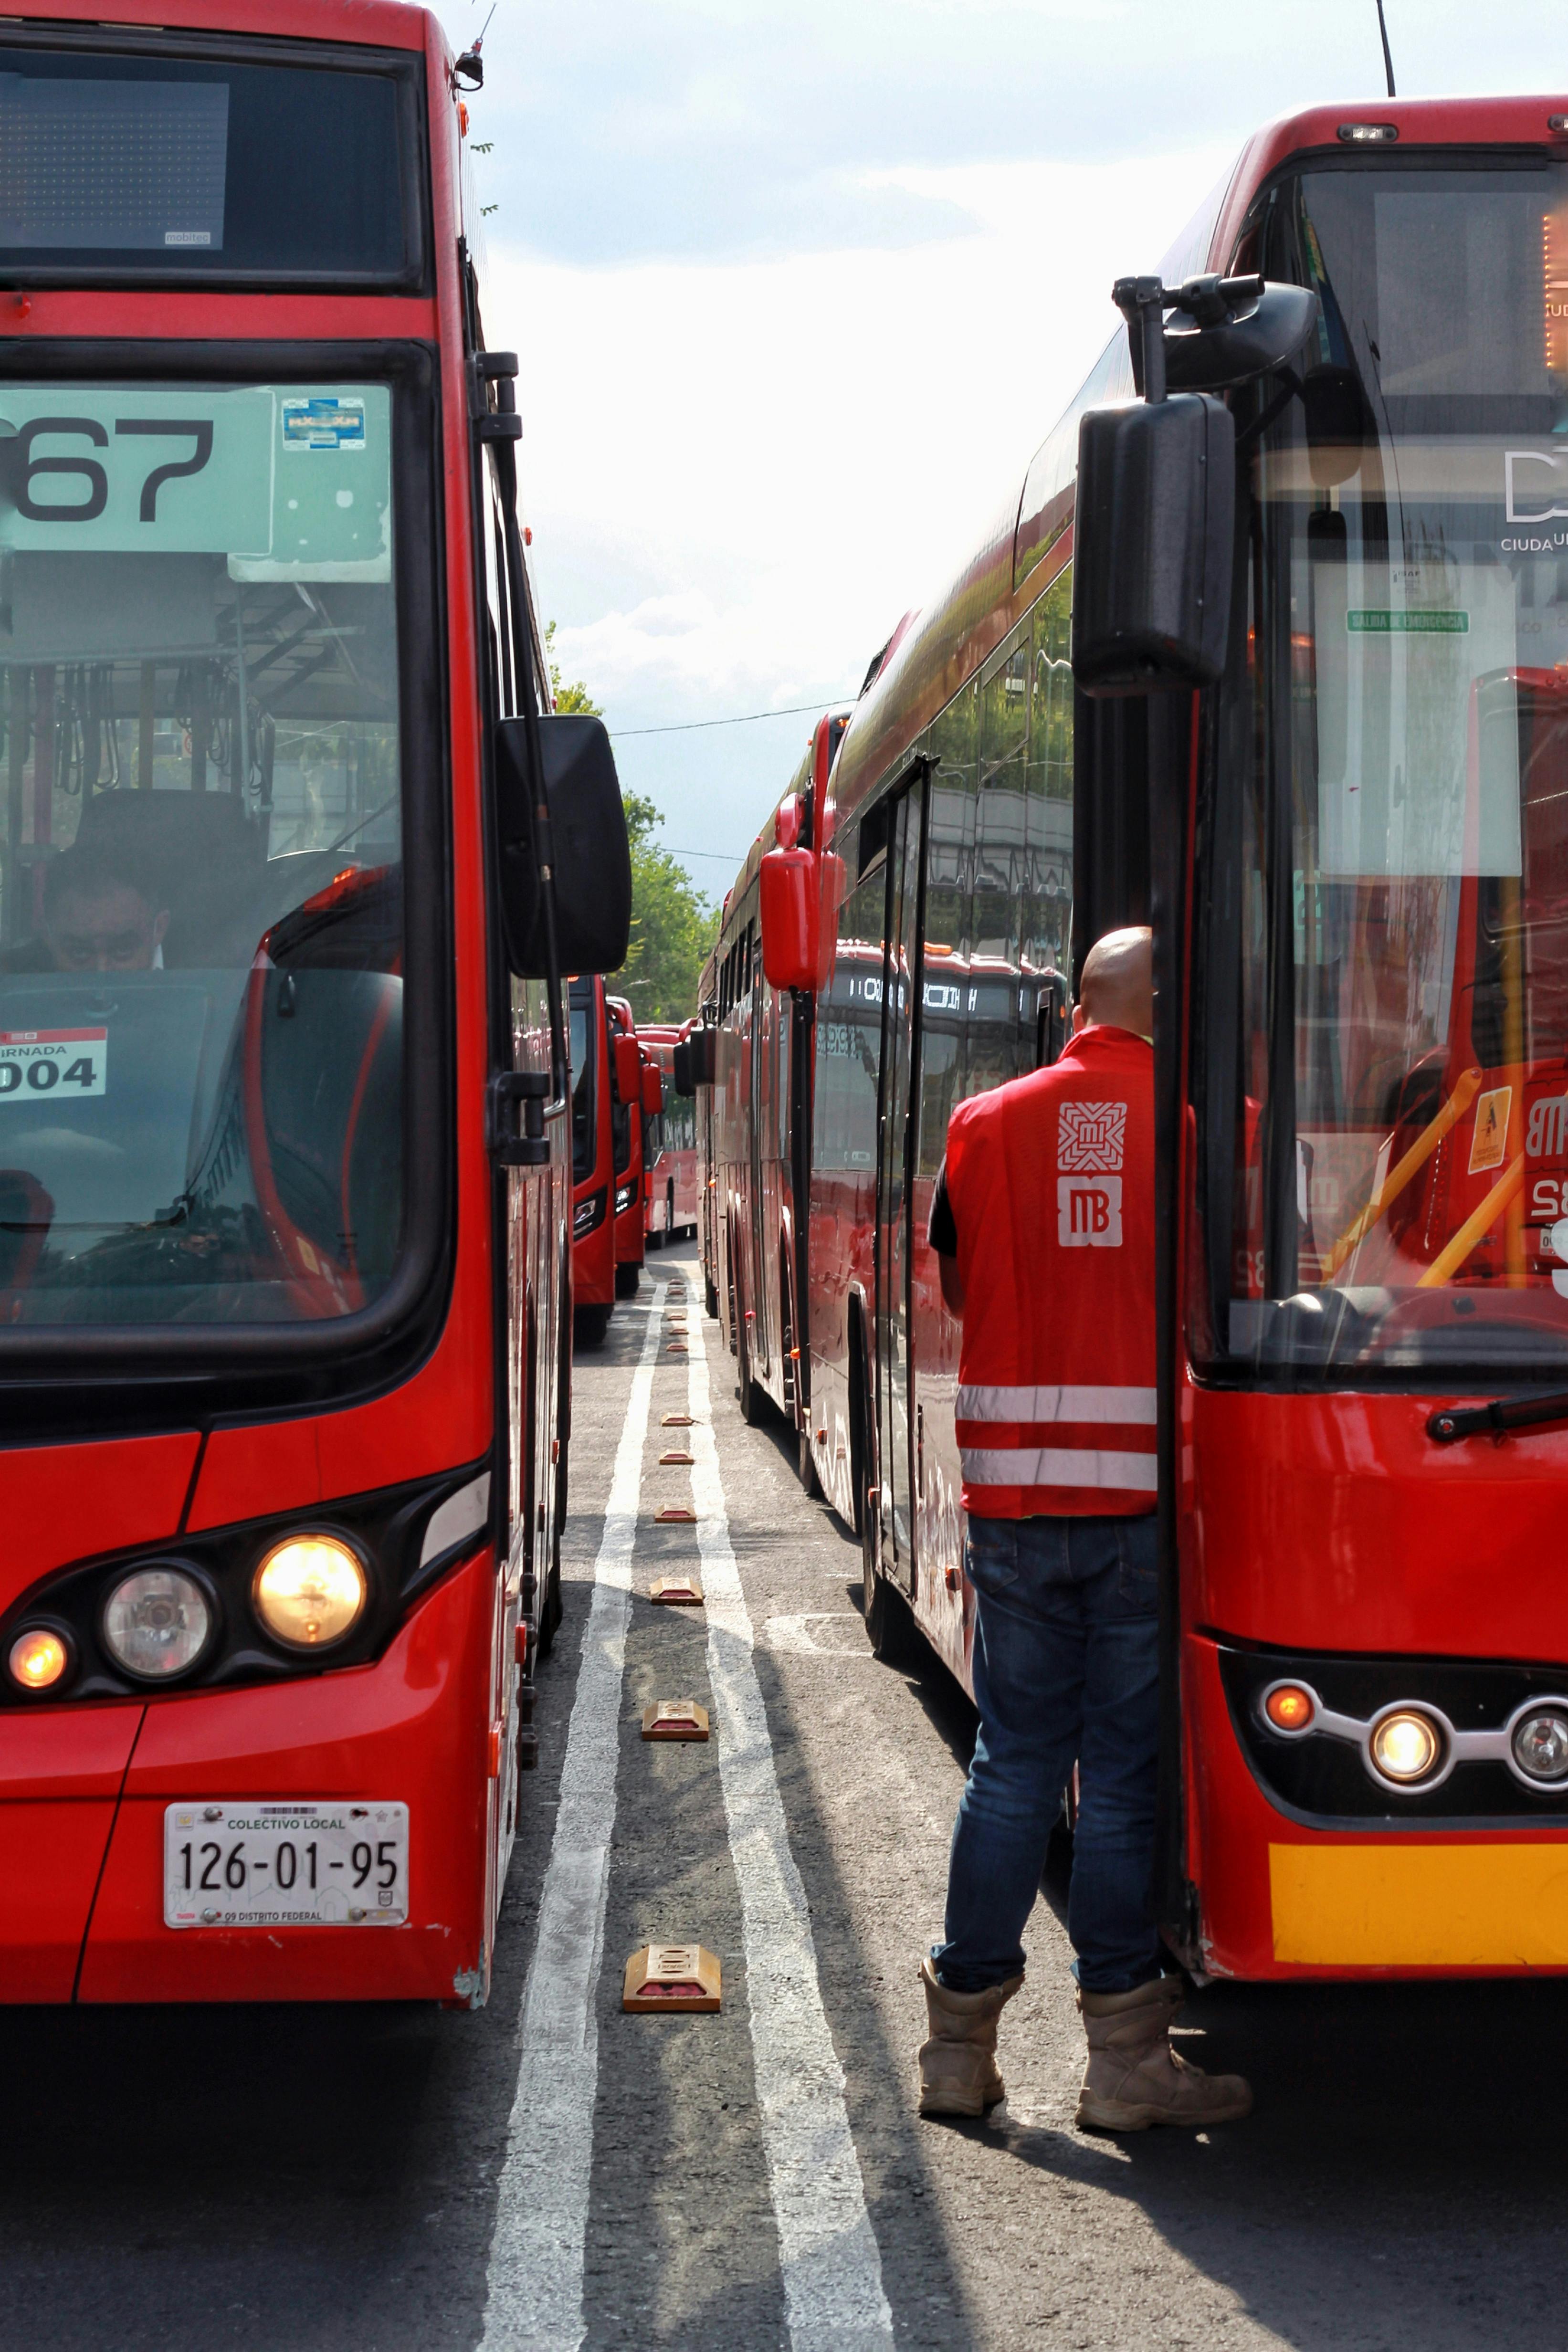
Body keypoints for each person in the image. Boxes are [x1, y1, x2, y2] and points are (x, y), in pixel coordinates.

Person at [917, 925, 1252, 2134]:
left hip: (1010, 1504)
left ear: (1079, 1005)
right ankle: (1123, 2065)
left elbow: (955, 1288)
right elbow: (1211, 1306)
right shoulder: (1183, 1122)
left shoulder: (980, 1122)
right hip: (1133, 1510)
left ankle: (958, 2051)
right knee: (1114, 1781)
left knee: (1009, 1766)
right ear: (1155, 999)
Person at [2, 839, 171, 974]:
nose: (101, 974)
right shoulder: (10, 983)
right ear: (47, 935)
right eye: (79, 953)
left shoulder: (195, 977)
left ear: (160, 928)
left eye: (123, 950)